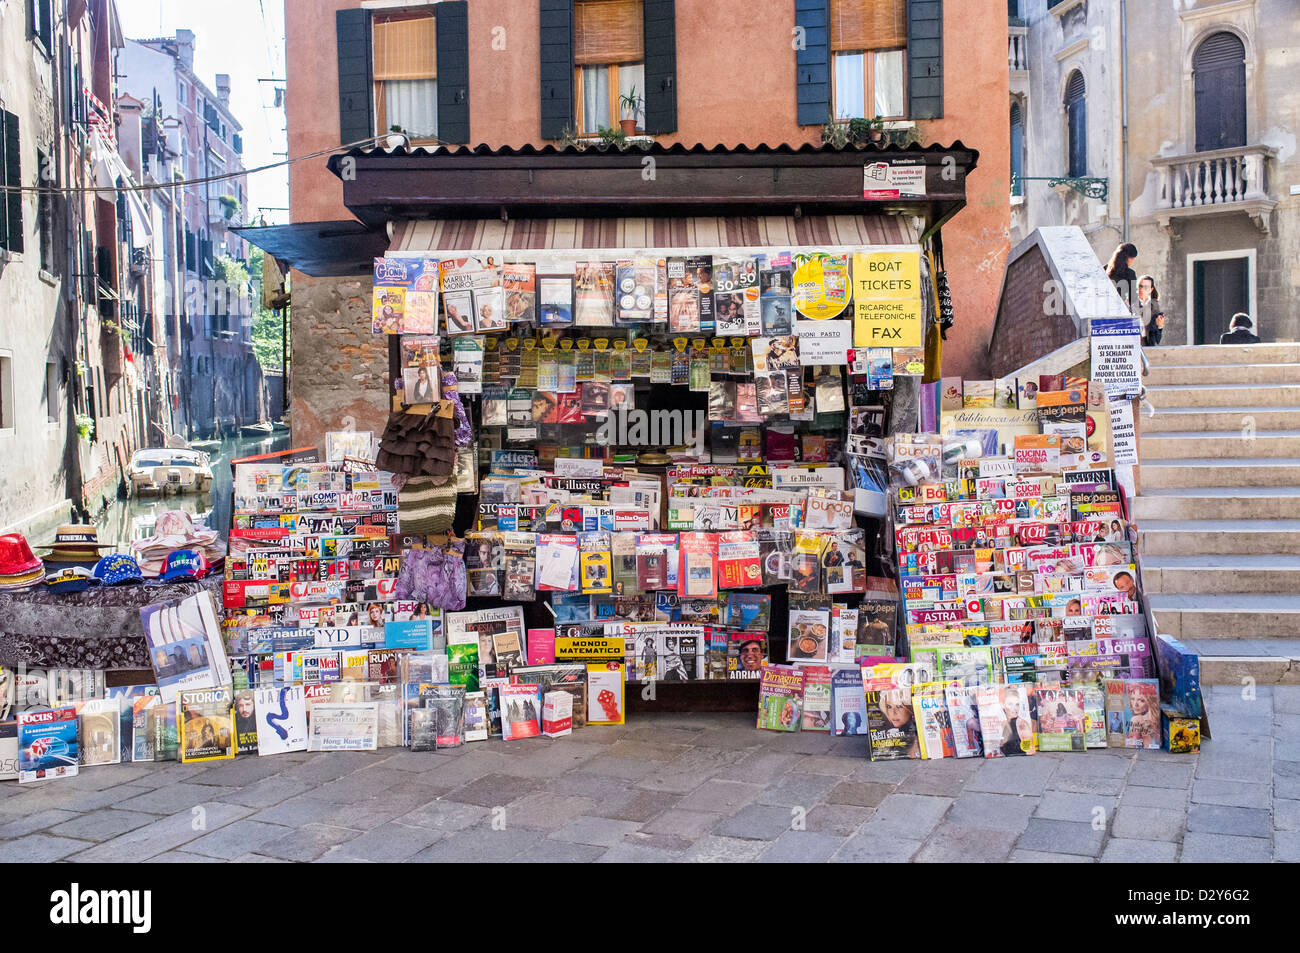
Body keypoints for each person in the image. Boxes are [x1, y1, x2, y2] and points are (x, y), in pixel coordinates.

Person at [1134, 275, 1165, 346]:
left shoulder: (1155, 306)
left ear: (1151, 289)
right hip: (1133, 342)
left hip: (1148, 343)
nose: (1141, 289)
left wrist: (1160, 327)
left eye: (1146, 287)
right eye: (1140, 286)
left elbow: (1157, 339)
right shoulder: (1129, 303)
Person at [1106, 242, 1139, 309]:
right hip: (1120, 309)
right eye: (1133, 258)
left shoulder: (1104, 269)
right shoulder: (1130, 273)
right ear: (1129, 258)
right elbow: (1133, 298)